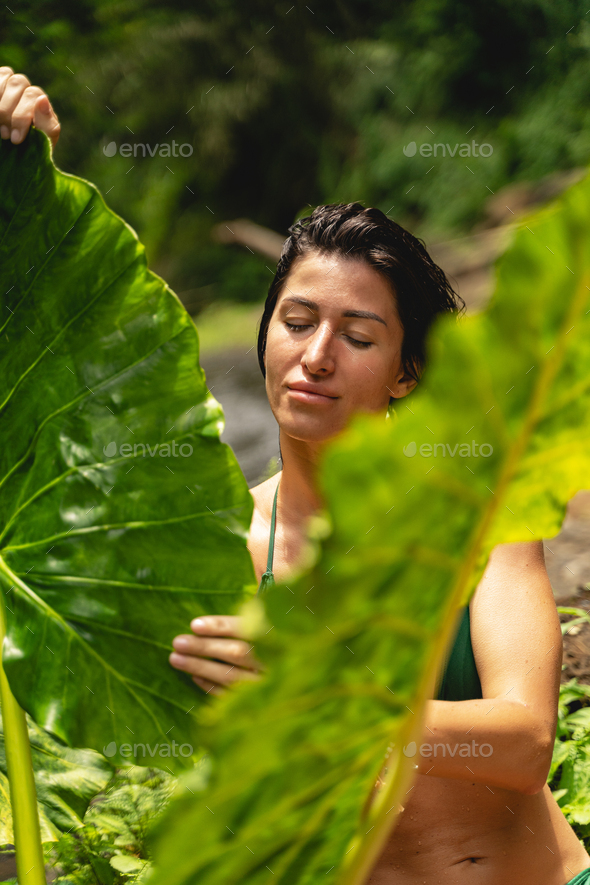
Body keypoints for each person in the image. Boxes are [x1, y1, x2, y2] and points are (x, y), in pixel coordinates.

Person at [4, 67, 590, 885]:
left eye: (358, 334)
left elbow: (526, 744)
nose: (315, 357)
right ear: (267, 332)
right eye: (298, 321)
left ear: (407, 371)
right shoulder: (228, 549)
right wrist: (24, 169)